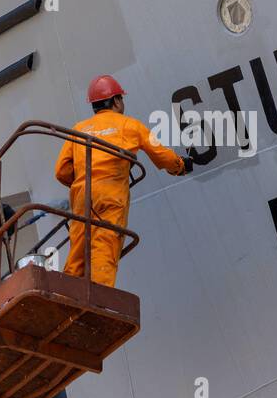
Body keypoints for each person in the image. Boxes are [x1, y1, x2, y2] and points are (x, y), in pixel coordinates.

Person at [54, 74, 193, 286]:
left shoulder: (78, 129)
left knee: (77, 253)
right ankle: (98, 304)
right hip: (110, 198)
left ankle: (67, 298)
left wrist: (83, 181)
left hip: (82, 198)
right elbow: (161, 153)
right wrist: (180, 166)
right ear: (117, 101)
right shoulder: (130, 125)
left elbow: (61, 171)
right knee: (104, 249)